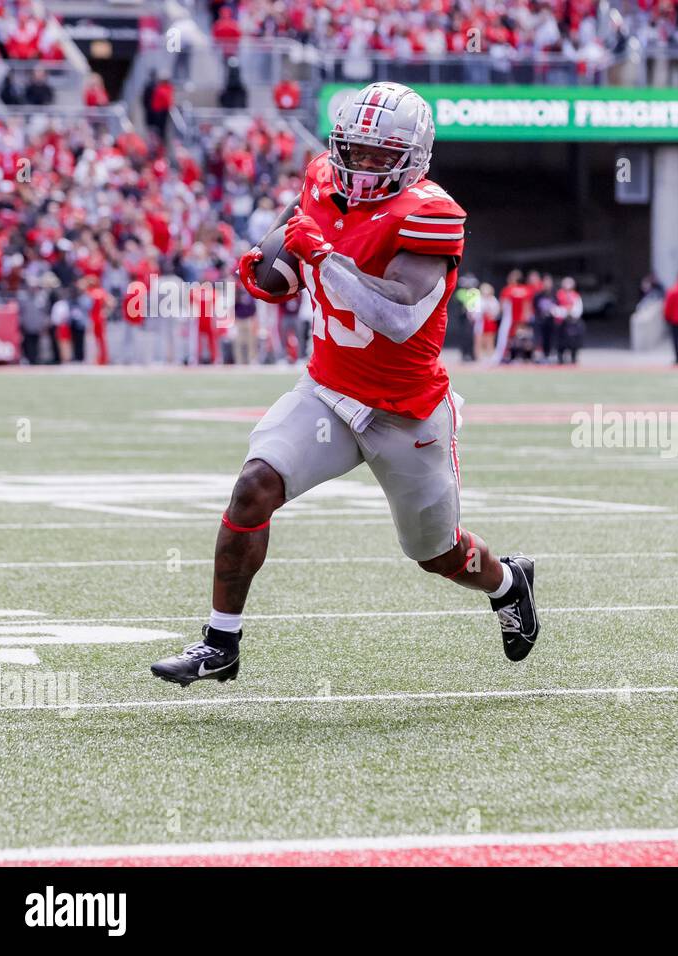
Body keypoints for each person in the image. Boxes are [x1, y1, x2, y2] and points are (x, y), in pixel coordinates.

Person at [150, 82, 540, 685]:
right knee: (253, 488)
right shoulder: (319, 178)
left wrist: (323, 256)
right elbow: (292, 234)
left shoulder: (431, 213)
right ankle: (219, 642)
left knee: (437, 555)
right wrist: (272, 264)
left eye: (381, 155)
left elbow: (397, 315)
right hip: (329, 391)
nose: (362, 166)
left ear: (413, 157)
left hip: (405, 413)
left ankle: (509, 582)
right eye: (354, 150)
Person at [555, 276, 584, 364]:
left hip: (572, 321)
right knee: (561, 342)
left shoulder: (576, 295)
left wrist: (571, 312)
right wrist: (563, 312)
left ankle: (573, 357)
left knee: (574, 341)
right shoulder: (559, 294)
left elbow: (578, 309)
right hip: (562, 321)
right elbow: (556, 307)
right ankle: (560, 358)